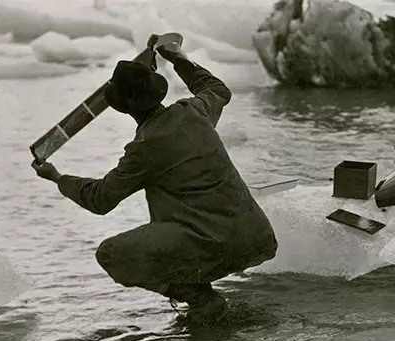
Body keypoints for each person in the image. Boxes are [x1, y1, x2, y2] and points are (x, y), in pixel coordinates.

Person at [32, 36, 278, 324]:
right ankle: (204, 297)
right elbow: (216, 89)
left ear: (123, 108)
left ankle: (202, 299)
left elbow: (99, 199)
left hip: (217, 243)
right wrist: (176, 58)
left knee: (111, 254)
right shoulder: (194, 111)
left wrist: (58, 177)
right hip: (256, 238)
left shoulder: (145, 149)